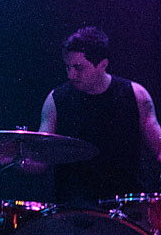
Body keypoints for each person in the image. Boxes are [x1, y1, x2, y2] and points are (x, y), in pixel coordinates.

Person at [39, 25, 161, 207]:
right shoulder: (56, 99)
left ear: (103, 65)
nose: (71, 75)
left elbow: (158, 149)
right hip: (74, 209)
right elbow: (40, 160)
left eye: (78, 67)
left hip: (127, 209)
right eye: (67, 67)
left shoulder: (136, 95)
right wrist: (16, 156)